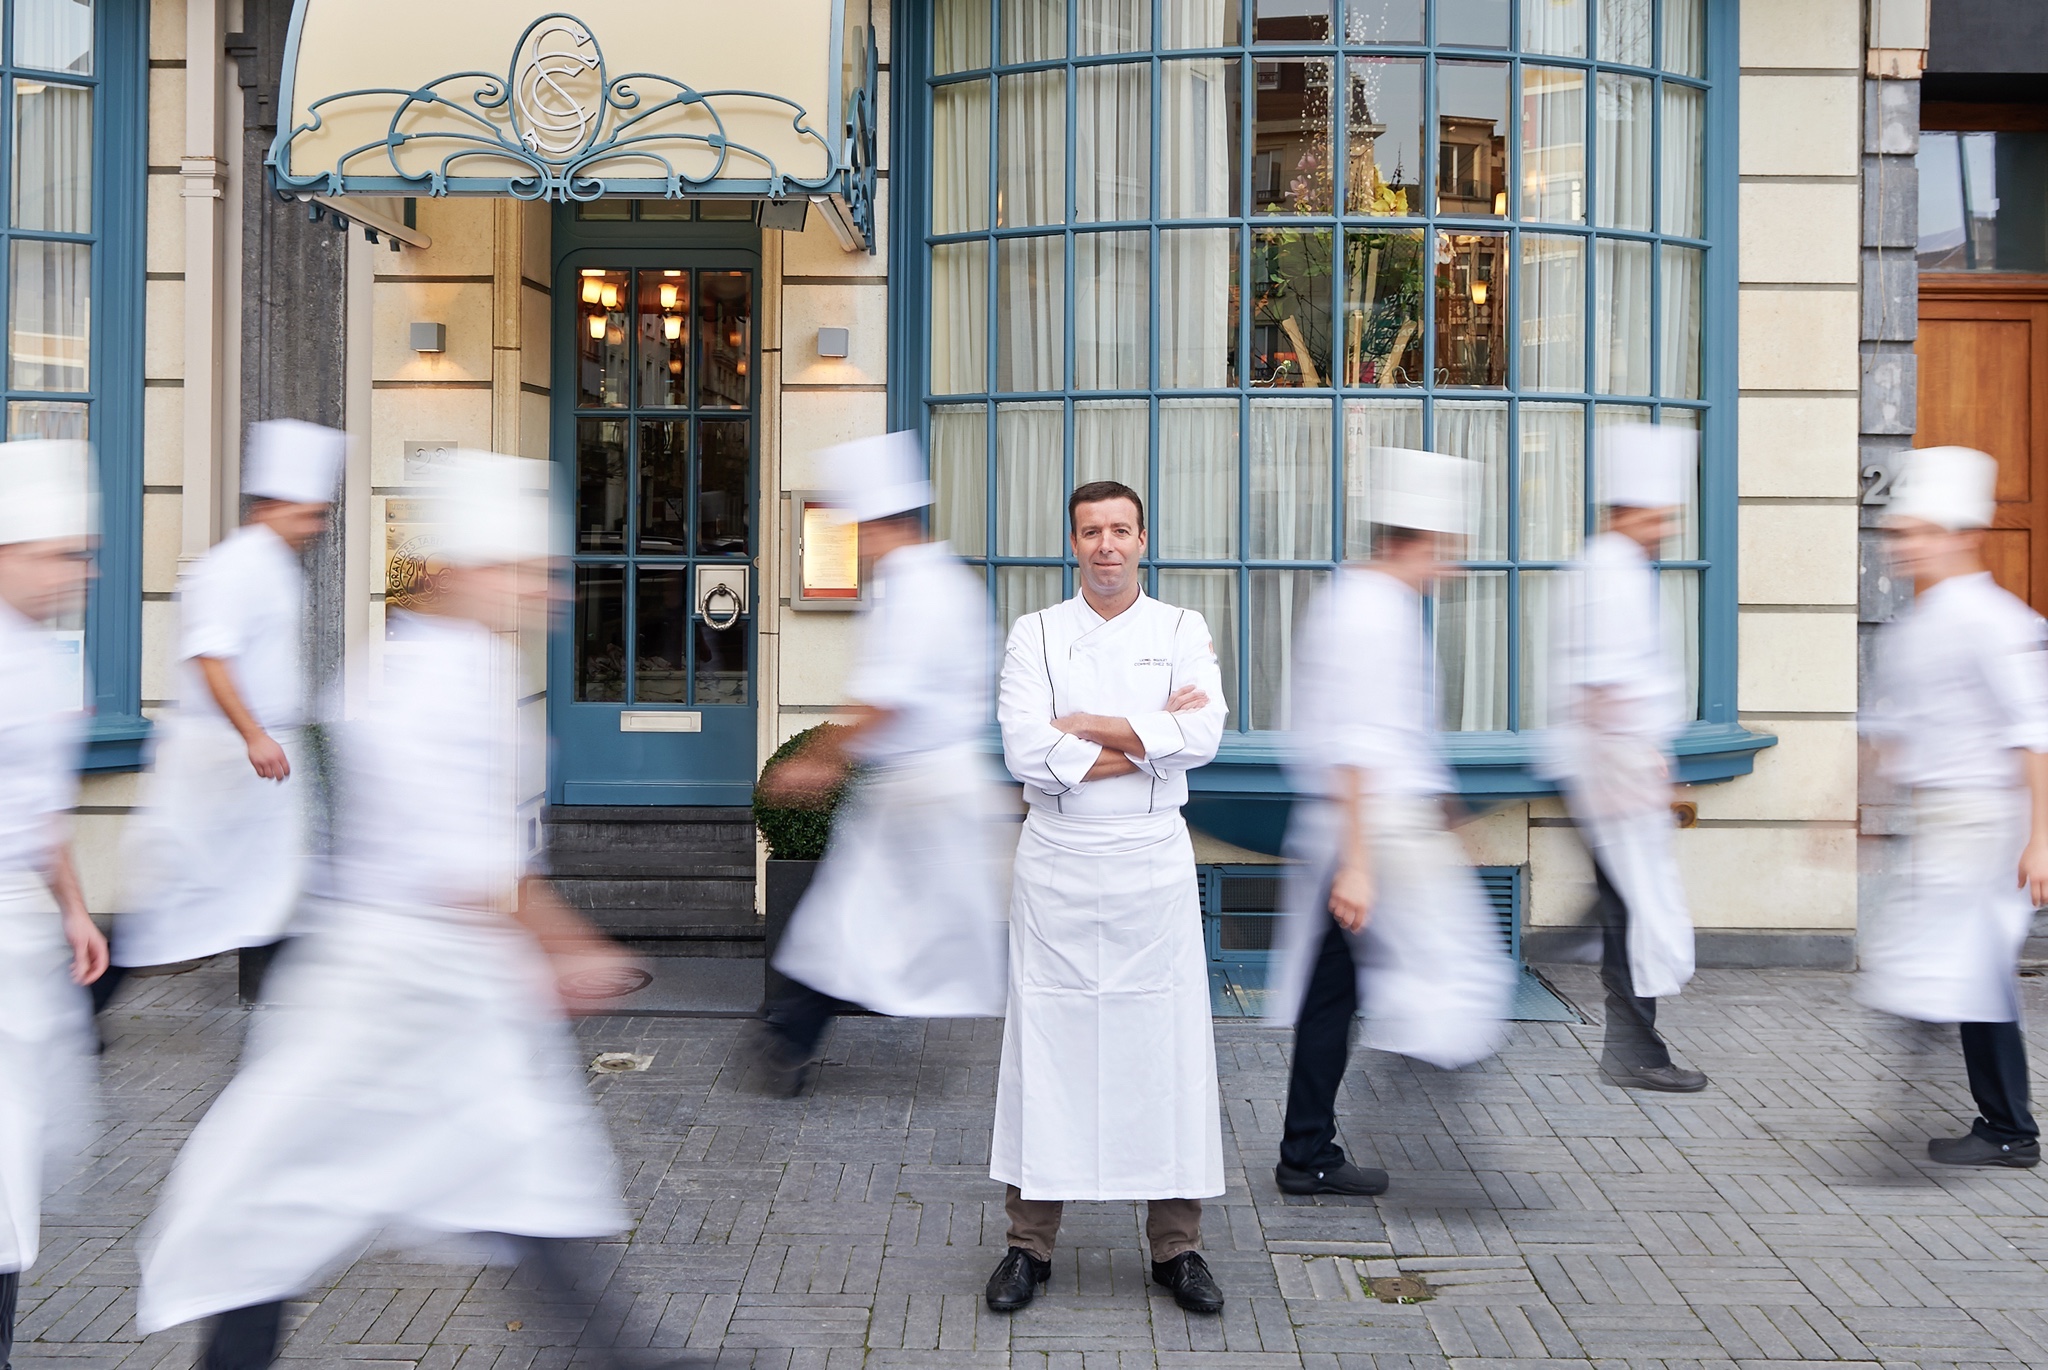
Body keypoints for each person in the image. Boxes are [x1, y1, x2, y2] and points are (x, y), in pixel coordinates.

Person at [137, 453, 650, 1369]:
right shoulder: (417, 686)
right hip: (378, 993)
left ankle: (634, 1359)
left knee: (523, 1183)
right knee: (278, 1197)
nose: (549, 593)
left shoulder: (471, 667)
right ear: (460, 573)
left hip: (451, 990)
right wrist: (574, 947)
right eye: (526, 572)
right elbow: (472, 867)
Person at [985, 479, 1229, 1316]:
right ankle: (1029, 1244)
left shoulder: (1181, 628)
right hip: (1057, 864)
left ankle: (1178, 1247)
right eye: (1090, 532)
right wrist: (1148, 736)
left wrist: (1086, 725)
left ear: (1143, 537)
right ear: (1074, 542)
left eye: (1120, 530)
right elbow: (1025, 748)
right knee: (1044, 1049)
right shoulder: (1037, 633)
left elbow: (1204, 736)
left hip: (1152, 864)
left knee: (1166, 1049)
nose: (1106, 546)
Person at [1269, 447, 1516, 1199]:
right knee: (1430, 973)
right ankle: (1337, 1137)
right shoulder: (1371, 611)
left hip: (1379, 831)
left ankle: (1307, 1150)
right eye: (1451, 551)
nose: (1456, 567)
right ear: (1422, 542)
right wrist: (1357, 864)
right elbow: (1352, 749)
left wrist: (1446, 818)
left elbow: (1400, 734)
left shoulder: (1376, 601)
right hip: (1369, 834)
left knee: (1334, 995)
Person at [753, 431, 1006, 1094]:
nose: (857, 545)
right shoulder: (936, 581)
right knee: (854, 919)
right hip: (928, 785)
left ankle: (788, 1039)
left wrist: (819, 760)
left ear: (881, 525)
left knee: (852, 920)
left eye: (859, 529)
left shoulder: (917, 590)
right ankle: (789, 1036)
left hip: (920, 788)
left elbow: (886, 698)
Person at [112, 420, 345, 1006]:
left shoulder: (278, 567)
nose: (315, 528)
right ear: (271, 505)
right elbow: (212, 657)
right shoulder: (233, 566)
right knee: (170, 898)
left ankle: (280, 1006)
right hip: (220, 759)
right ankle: (90, 990)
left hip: (256, 760)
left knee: (272, 887)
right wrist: (254, 735)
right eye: (307, 514)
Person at [1860, 445, 2048, 1168]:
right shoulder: (1921, 623)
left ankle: (2008, 1130)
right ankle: (2001, 1125)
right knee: (1960, 972)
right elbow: (1895, 730)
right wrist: (1858, 808)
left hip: (1985, 823)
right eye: (1899, 534)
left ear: (1961, 534)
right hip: (1943, 823)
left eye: (1916, 533)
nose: (1902, 547)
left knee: (1965, 971)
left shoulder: (1998, 621)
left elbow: (2034, 733)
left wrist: (2039, 840)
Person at [1545, 424, 1708, 1092]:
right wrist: (1633, 767)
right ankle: (1636, 1052)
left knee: (1623, 908)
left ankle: (1632, 1045)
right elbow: (1603, 686)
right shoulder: (1610, 573)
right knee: (1632, 910)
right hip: (1614, 767)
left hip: (1616, 764)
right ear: (1628, 512)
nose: (1665, 527)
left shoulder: (1612, 567)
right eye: (1658, 515)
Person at [0, 439, 109, 1370]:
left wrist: (73, 908)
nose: (82, 570)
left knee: (9, 1181)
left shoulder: (51, 666)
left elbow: (39, 817)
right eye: (63, 554)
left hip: (16, 948)